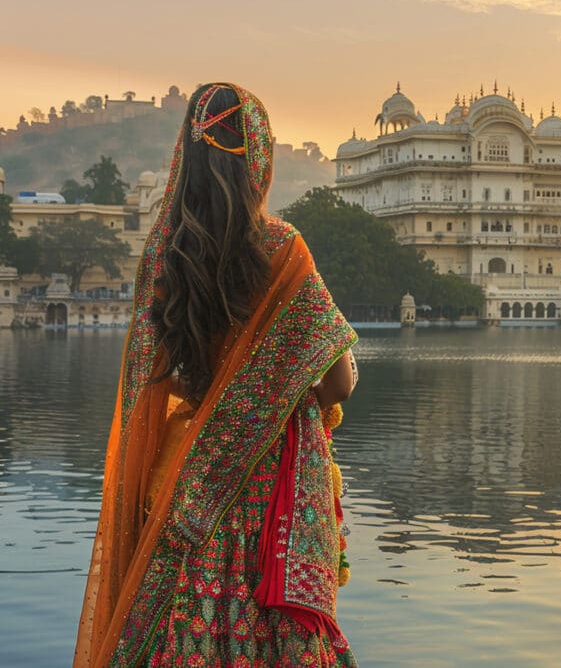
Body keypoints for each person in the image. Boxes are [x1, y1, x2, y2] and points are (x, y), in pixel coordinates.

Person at [74, 83, 358, 666]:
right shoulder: (282, 250)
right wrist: (279, 379)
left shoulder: (164, 253)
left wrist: (213, 388)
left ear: (188, 154)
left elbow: (154, 380)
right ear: (260, 158)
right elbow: (338, 385)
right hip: (264, 498)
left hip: (182, 489)